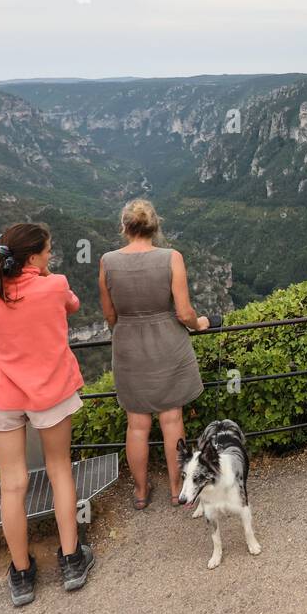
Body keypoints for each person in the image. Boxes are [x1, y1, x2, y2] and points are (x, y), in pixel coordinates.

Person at [0, 223, 94, 607]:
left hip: (2, 398)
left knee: (12, 484)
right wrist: (43, 275)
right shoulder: (54, 284)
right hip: (51, 392)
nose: (51, 256)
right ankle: (71, 560)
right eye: (47, 251)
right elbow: (74, 304)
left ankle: (23, 574)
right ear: (33, 256)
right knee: (59, 469)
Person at [98, 199, 210, 510]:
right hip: (167, 344)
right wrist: (198, 323)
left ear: (125, 227)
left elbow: (109, 314)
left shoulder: (108, 261)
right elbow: (185, 312)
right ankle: (177, 490)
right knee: (171, 418)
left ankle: (141, 491)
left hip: (128, 347)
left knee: (136, 424)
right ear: (155, 226)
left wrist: (126, 332)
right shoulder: (171, 258)